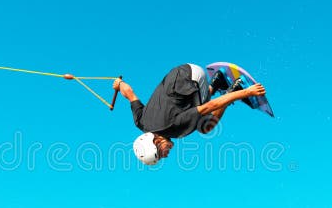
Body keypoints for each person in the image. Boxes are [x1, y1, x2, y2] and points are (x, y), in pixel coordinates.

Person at [113, 63, 266, 165]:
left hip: (193, 76)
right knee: (190, 111)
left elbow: (210, 106)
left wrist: (247, 92)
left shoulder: (173, 127)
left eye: (160, 154)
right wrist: (119, 84)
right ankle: (218, 81)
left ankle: (235, 88)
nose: (165, 156)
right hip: (180, 72)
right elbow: (130, 94)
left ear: (156, 142)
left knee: (205, 127)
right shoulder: (141, 122)